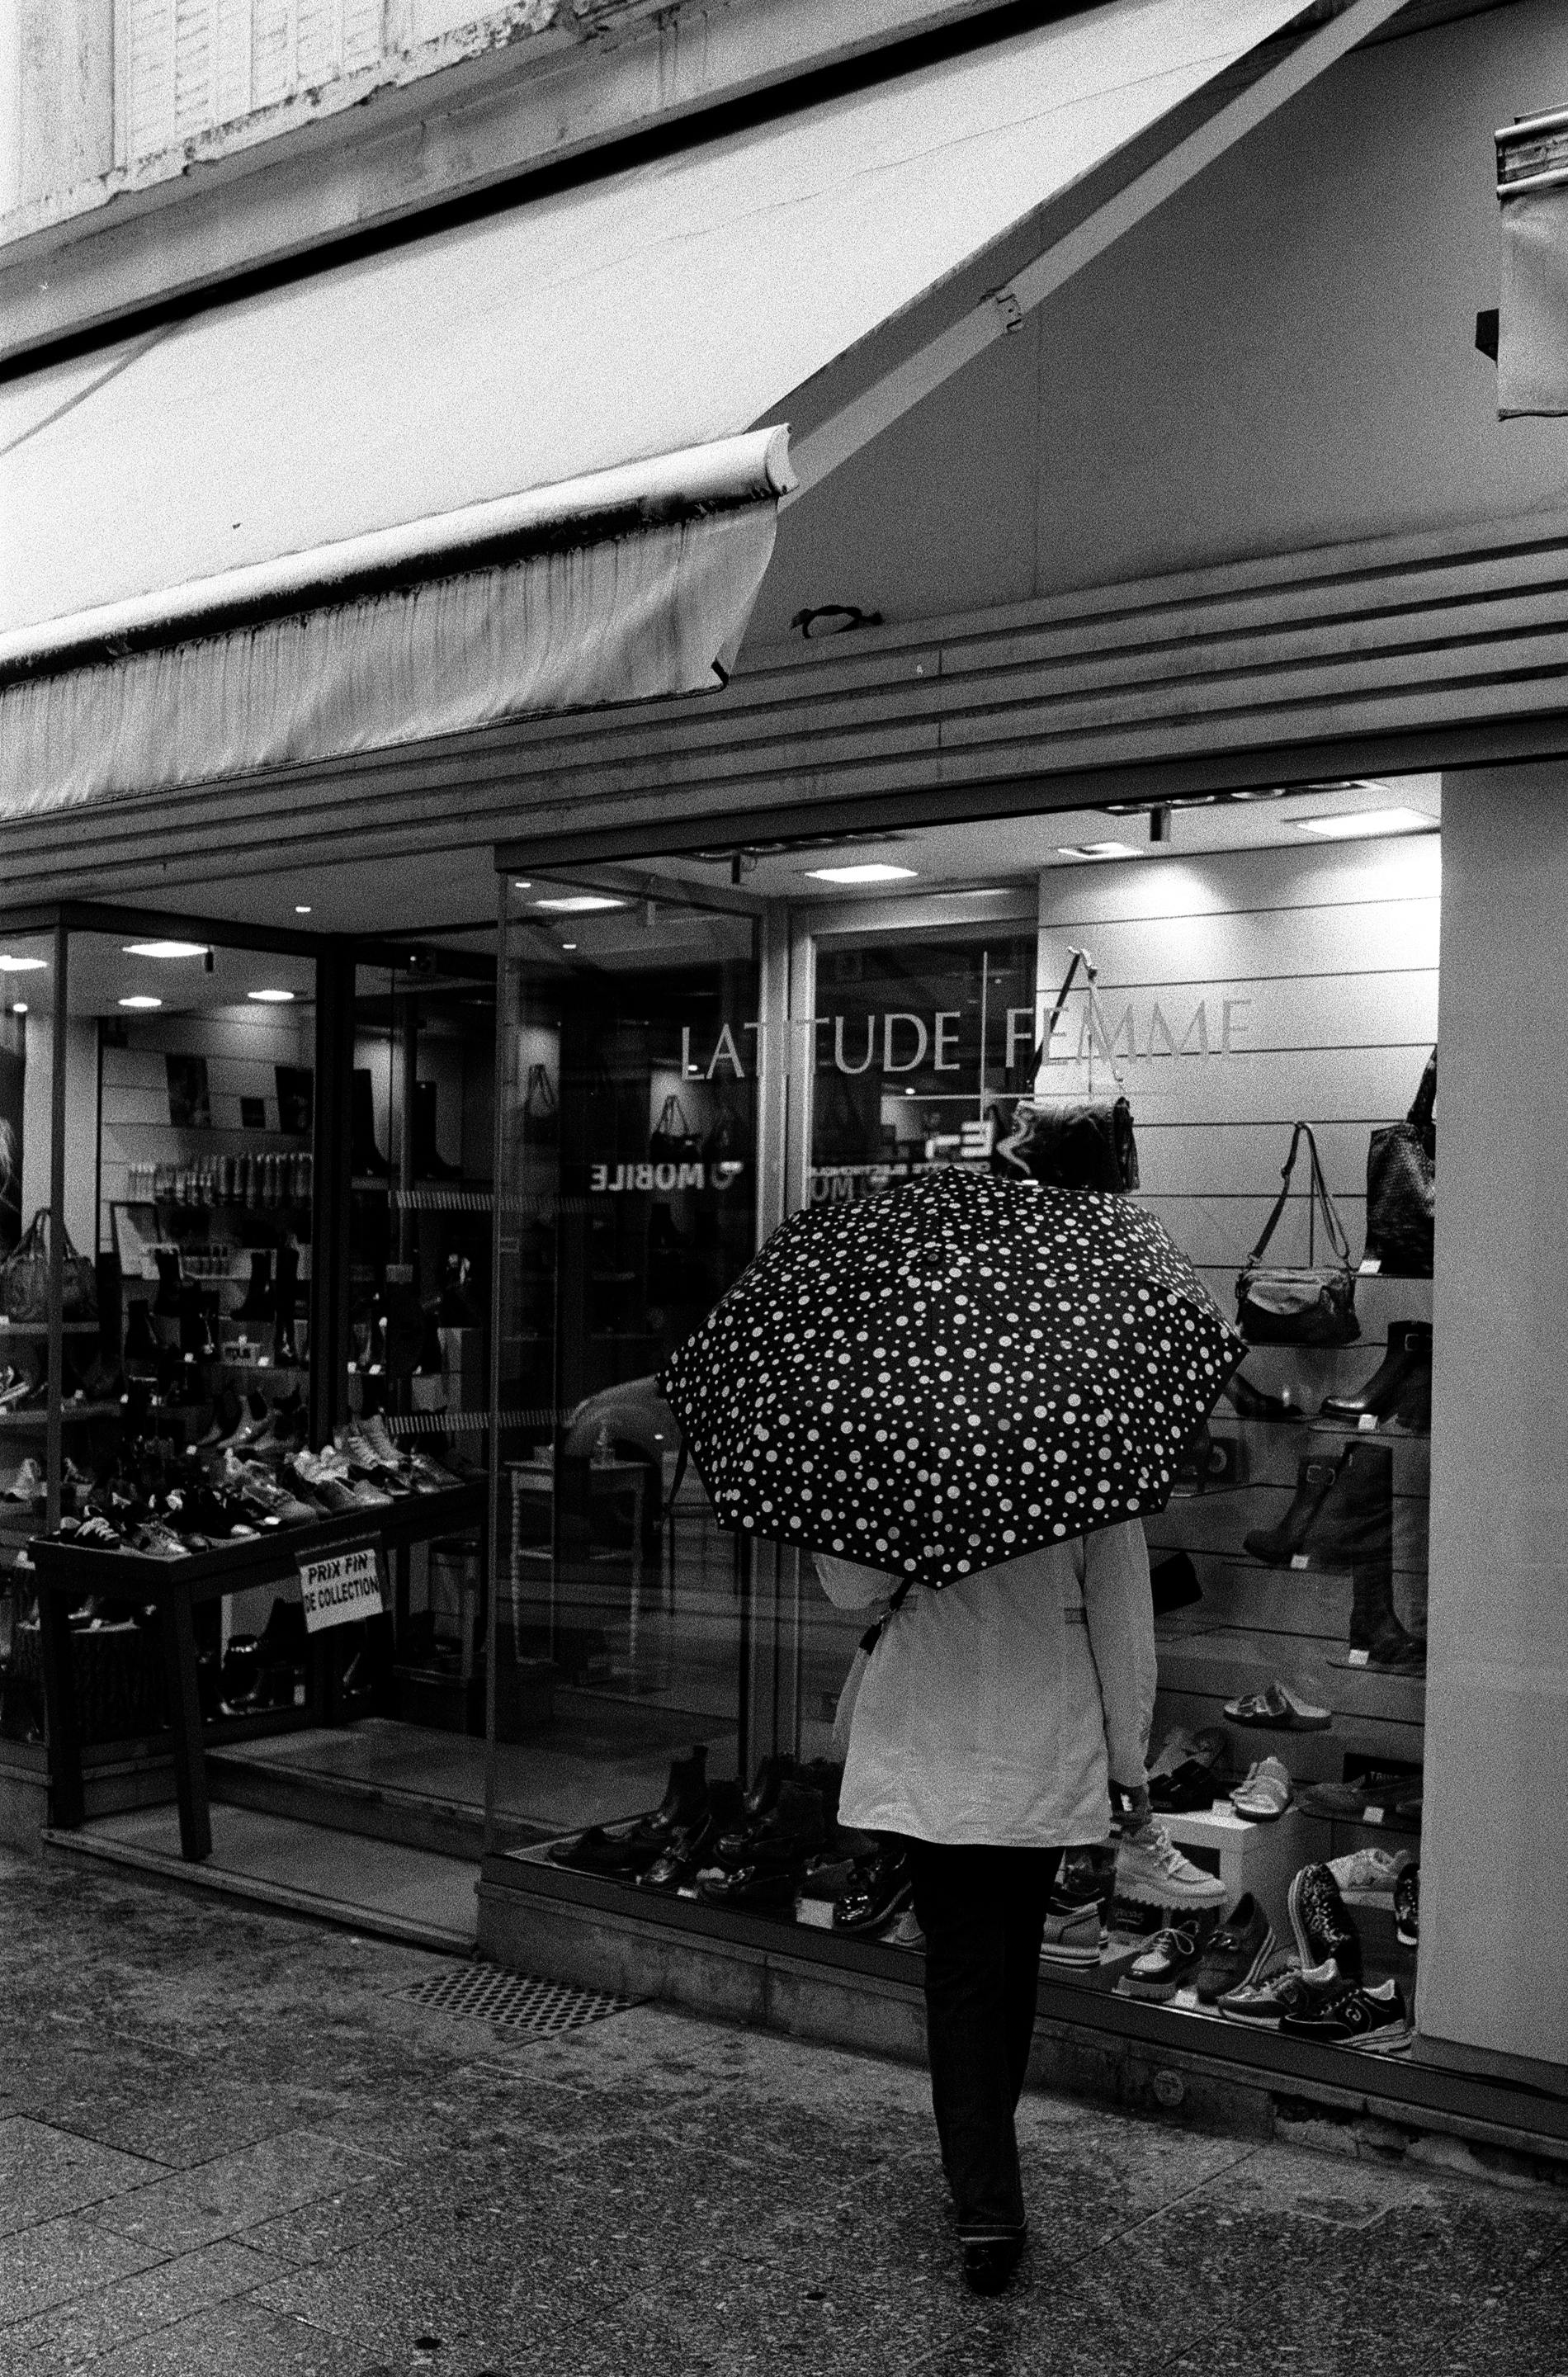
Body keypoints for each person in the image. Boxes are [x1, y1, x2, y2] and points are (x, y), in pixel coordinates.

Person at [816, 1519, 1155, 2298]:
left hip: (930, 1736)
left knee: (969, 1972)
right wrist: (1129, 1758)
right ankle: (985, 2187)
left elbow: (849, 1589)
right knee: (1003, 1967)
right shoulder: (1082, 1439)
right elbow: (1122, 1618)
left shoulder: (890, 1441)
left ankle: (983, 2182)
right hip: (1041, 1732)